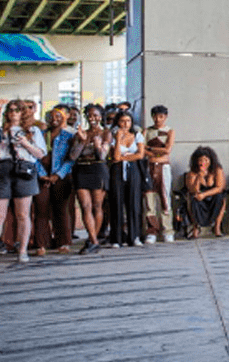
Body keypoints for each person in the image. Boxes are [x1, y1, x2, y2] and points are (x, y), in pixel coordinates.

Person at [0, 100, 45, 265]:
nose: (13, 112)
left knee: (23, 214)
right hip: (2, 169)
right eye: (10, 110)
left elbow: (40, 154)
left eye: (17, 110)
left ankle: (23, 250)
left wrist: (25, 143)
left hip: (24, 170)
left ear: (23, 112)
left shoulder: (33, 130)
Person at [32, 106, 76, 255]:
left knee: (61, 210)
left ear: (65, 118)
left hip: (62, 177)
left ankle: (63, 242)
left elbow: (71, 159)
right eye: (51, 116)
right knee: (41, 209)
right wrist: (42, 174)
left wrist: (57, 175)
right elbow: (34, 156)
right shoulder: (40, 134)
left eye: (58, 116)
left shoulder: (69, 136)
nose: (54, 119)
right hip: (42, 177)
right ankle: (41, 244)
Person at [70, 104, 110, 254]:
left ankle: (93, 239)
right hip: (81, 169)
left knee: (97, 206)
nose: (92, 118)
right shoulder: (80, 133)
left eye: (95, 115)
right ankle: (93, 240)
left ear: (100, 116)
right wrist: (82, 141)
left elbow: (102, 156)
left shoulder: (106, 133)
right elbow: (73, 156)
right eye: (89, 115)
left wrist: (99, 146)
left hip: (98, 169)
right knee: (85, 206)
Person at [107, 111, 146, 247]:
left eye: (128, 121)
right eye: (122, 121)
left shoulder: (137, 135)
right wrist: (118, 139)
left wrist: (124, 157)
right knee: (117, 202)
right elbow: (115, 157)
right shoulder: (112, 136)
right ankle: (116, 238)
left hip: (133, 170)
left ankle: (134, 236)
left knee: (134, 203)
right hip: (117, 171)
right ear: (118, 122)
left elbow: (140, 155)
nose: (125, 124)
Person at [143, 105, 175, 243]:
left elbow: (167, 150)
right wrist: (156, 151)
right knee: (149, 199)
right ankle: (152, 231)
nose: (158, 119)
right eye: (155, 116)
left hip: (163, 167)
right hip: (149, 166)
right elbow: (142, 149)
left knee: (164, 198)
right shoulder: (147, 131)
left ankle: (168, 230)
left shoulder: (169, 131)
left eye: (161, 116)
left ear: (165, 117)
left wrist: (150, 149)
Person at [184, 146, 226, 238]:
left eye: (206, 160)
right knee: (192, 199)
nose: (203, 163)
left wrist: (204, 194)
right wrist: (198, 177)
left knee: (221, 197)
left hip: (212, 195)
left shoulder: (217, 170)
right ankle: (195, 228)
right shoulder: (192, 173)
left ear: (211, 160)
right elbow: (193, 190)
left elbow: (219, 187)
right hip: (199, 197)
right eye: (200, 160)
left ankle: (217, 228)